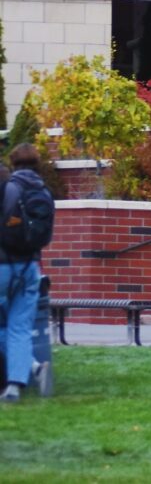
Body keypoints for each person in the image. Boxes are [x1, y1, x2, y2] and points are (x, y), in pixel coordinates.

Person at [1, 144, 55, 405]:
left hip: (4, 266)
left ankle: (27, 371)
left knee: (4, 326)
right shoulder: (44, 190)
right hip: (31, 267)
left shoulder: (10, 187)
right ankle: (19, 381)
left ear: (13, 163)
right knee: (20, 327)